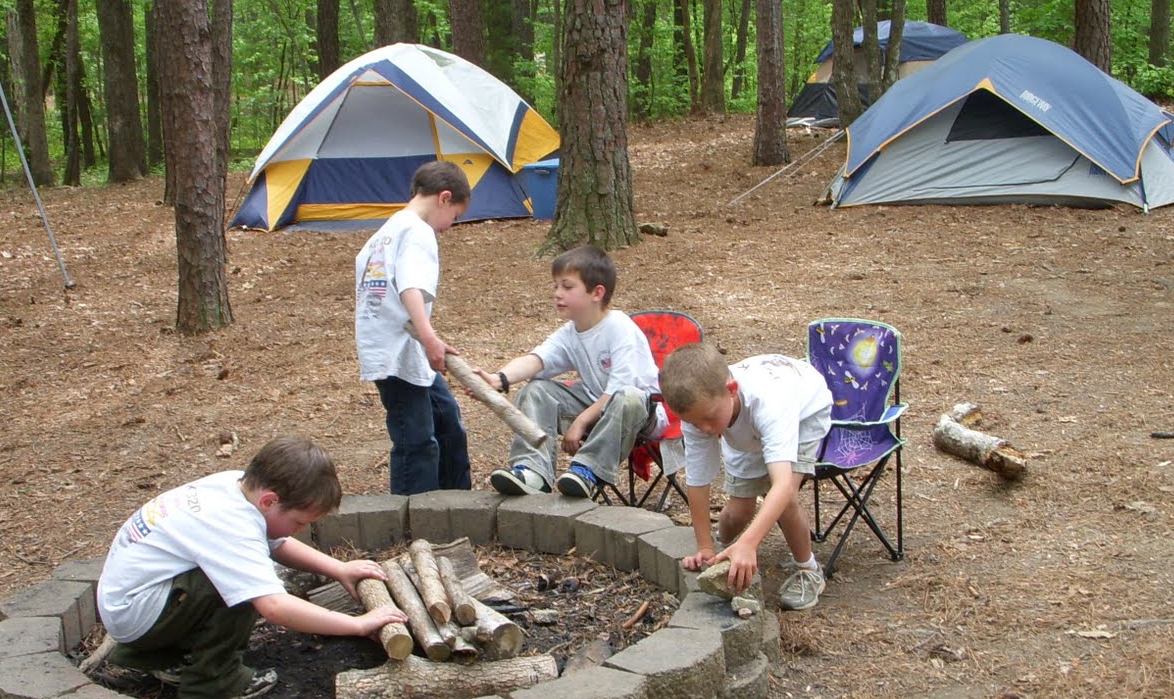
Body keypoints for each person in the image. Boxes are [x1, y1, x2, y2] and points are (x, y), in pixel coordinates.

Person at [96, 436, 404, 699]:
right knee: (239, 590)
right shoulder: (231, 526)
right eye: (299, 522)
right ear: (270, 500)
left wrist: (338, 569)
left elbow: (275, 542)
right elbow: (274, 607)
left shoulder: (236, 486)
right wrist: (358, 624)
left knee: (242, 572)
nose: (301, 530)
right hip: (138, 616)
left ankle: (164, 657)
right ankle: (213, 682)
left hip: (132, 603)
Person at [476, 245, 661, 501]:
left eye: (567, 286)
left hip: (641, 413)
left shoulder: (619, 327)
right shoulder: (571, 332)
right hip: (596, 405)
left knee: (627, 397)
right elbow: (536, 360)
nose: (557, 294)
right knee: (536, 390)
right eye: (555, 286)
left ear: (597, 293)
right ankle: (533, 471)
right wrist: (499, 379)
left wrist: (581, 421)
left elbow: (620, 390)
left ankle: (587, 471)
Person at [658, 342, 833, 611]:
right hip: (743, 429)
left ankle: (808, 569)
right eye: (694, 423)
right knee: (737, 513)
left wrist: (749, 543)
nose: (704, 429)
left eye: (708, 419)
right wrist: (705, 547)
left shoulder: (769, 402)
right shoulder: (702, 412)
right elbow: (697, 480)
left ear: (731, 391)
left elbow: (783, 486)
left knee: (785, 504)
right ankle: (724, 553)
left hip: (802, 413)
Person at [355, 160, 473, 495]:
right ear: (444, 198)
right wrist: (429, 337)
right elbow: (410, 287)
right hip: (399, 355)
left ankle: (457, 502)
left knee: (447, 421)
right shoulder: (418, 231)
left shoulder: (386, 233)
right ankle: (416, 518)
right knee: (417, 442)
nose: (449, 227)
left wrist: (425, 339)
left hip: (398, 351)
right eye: (455, 216)